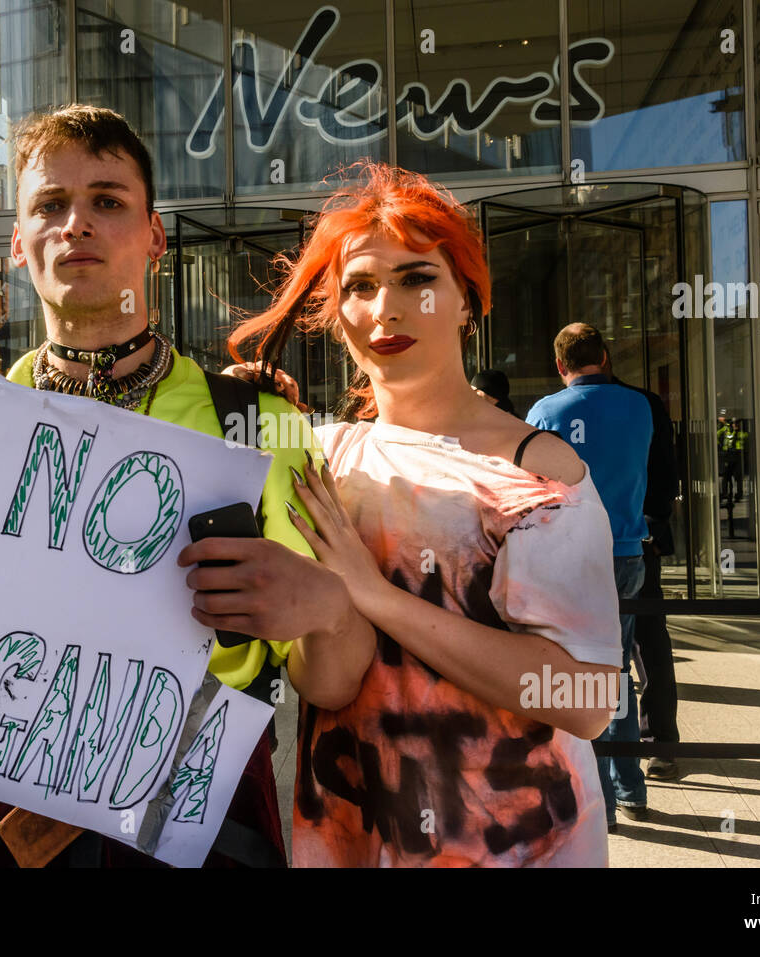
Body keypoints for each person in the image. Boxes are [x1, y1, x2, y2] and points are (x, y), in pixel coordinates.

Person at [0, 105, 375, 868]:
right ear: (19, 243)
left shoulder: (260, 422)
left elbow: (336, 680)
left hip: (202, 827)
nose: (75, 223)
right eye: (51, 205)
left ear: (155, 235)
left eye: (107, 200)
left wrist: (328, 609)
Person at [228, 163, 622, 866]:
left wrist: (377, 596)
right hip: (357, 837)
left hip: (521, 846)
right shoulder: (322, 457)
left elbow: (587, 699)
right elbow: (323, 683)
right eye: (360, 285)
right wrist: (244, 410)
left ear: (467, 301)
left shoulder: (537, 469)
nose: (386, 309)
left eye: (417, 279)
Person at [525, 324, 651, 829]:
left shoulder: (546, 413)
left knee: (581, 678)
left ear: (560, 366)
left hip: (572, 555)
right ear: (604, 355)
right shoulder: (641, 406)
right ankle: (631, 787)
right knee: (618, 672)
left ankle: (601, 801)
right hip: (627, 555)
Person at [604, 351, 681, 781]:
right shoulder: (647, 403)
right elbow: (667, 477)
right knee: (647, 641)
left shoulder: (558, 407)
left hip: (611, 544)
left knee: (621, 646)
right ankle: (655, 743)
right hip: (641, 541)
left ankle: (631, 751)